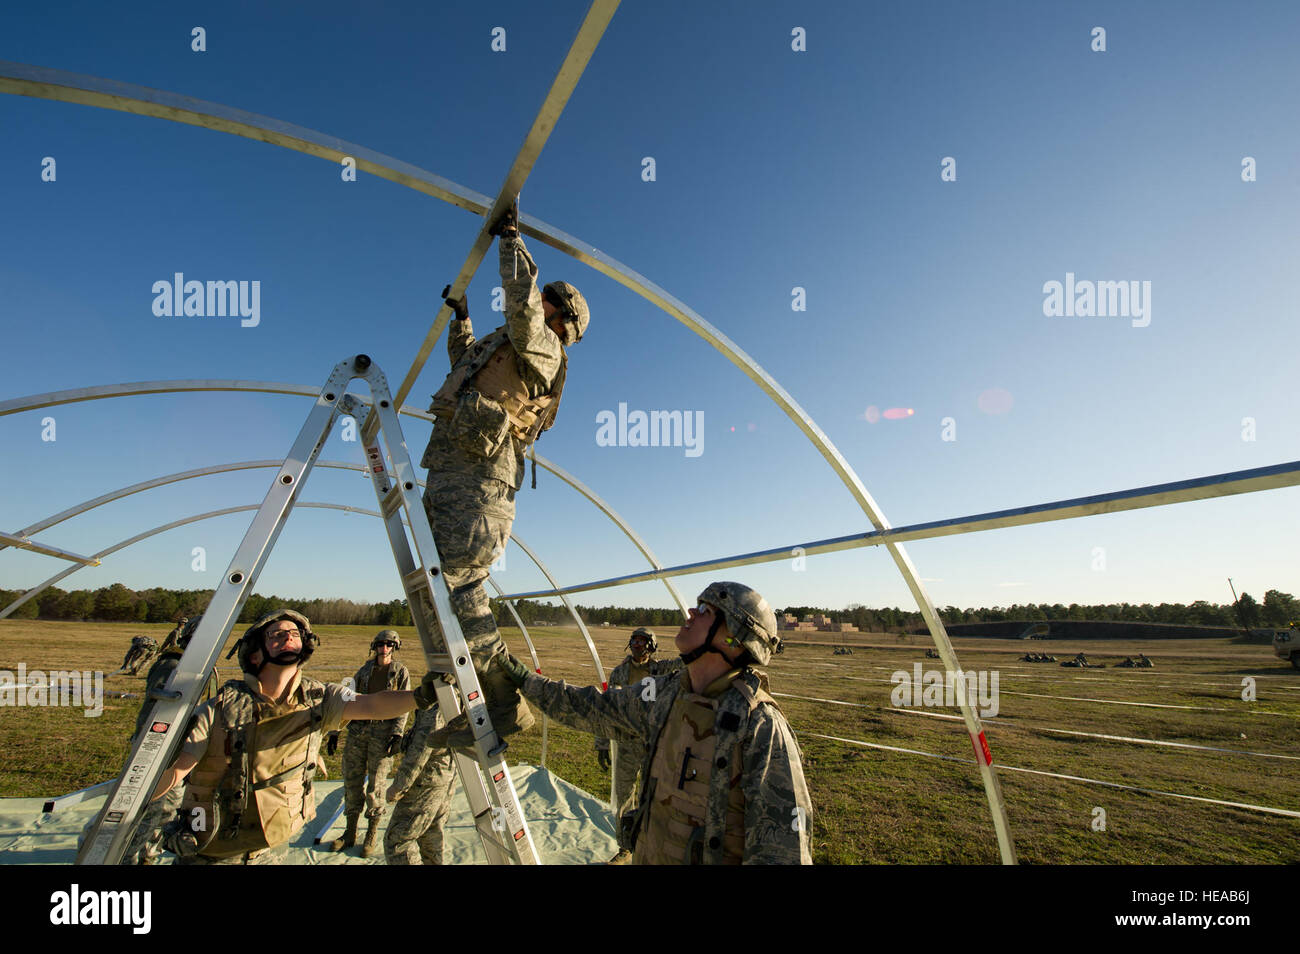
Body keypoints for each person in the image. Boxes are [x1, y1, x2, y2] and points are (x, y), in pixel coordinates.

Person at [419, 198, 589, 750]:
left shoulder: (545, 348)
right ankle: (482, 697)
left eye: (549, 305)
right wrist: (462, 317)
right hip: (454, 468)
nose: (540, 307)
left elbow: (521, 308)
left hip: (483, 478)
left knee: (462, 587)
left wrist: (510, 242)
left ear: (563, 323)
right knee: (439, 586)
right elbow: (463, 362)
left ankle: (506, 705)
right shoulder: (506, 345)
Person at [494, 582, 813, 865]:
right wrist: (528, 681)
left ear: (732, 639)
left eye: (704, 609)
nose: (690, 610)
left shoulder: (760, 726)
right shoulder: (664, 694)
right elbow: (592, 707)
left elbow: (783, 851)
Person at [147, 609, 439, 865]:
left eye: (295, 633)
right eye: (275, 634)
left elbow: (373, 704)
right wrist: (144, 782)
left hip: (271, 851)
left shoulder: (319, 698)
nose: (287, 637)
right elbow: (178, 769)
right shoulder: (221, 708)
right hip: (214, 854)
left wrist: (420, 696)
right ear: (254, 653)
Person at [119, 615, 219, 864]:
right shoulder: (173, 663)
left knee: (167, 810)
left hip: (182, 748)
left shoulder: (198, 666)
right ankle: (123, 853)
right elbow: (159, 710)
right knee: (144, 809)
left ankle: (148, 854)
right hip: (159, 749)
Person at [595, 627, 682, 864]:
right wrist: (602, 743)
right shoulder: (619, 673)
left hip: (654, 744)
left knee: (652, 794)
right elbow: (608, 707)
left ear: (651, 646)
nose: (637, 646)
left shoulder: (661, 670)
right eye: (634, 641)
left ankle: (651, 844)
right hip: (627, 743)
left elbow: (685, 664)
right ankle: (625, 849)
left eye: (643, 642)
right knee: (623, 795)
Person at [328, 630, 411, 857]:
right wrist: (335, 729)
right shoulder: (363, 671)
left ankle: (370, 835)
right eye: (381, 645)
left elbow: (403, 704)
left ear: (394, 648)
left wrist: (397, 734)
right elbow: (347, 698)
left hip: (382, 736)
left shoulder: (400, 672)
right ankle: (349, 832)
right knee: (352, 781)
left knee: (377, 786)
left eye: (389, 645)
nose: (384, 649)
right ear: (374, 647)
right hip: (358, 732)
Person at [383, 702, 458, 865]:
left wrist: (400, 785)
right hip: (444, 774)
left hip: (427, 779)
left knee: (397, 843)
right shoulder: (452, 690)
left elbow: (424, 743)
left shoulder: (440, 694)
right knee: (430, 839)